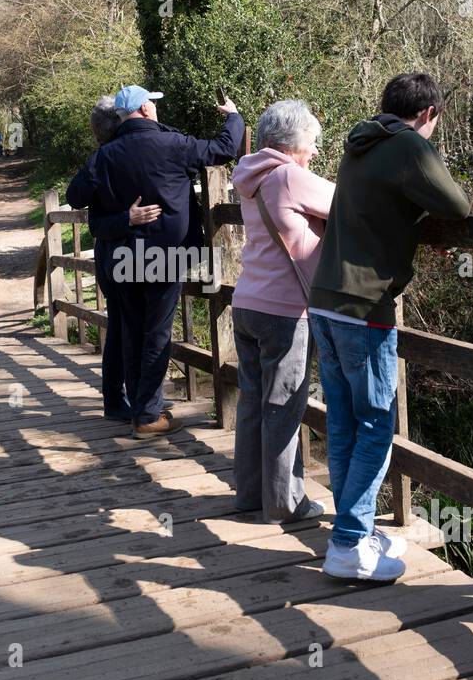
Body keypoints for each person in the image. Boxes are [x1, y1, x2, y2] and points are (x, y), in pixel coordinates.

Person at [309, 72, 470, 581]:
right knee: (377, 425)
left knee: (343, 423)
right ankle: (349, 544)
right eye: (436, 123)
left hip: (326, 301)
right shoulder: (407, 146)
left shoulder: (359, 143)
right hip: (365, 307)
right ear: (427, 114)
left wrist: (415, 225)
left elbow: (379, 211)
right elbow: (459, 205)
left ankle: (352, 530)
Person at [83, 84, 244, 438]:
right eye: (152, 105)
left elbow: (76, 193)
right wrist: (233, 116)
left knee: (132, 332)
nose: (156, 110)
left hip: (125, 254)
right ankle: (147, 414)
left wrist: (121, 214)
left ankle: (142, 408)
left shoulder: (106, 154)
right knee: (155, 335)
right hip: (166, 256)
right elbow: (224, 148)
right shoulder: (173, 145)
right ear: (143, 110)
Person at [229, 100, 335, 524]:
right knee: (284, 406)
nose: (313, 152)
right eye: (311, 143)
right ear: (292, 144)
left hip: (247, 302)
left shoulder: (250, 175)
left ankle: (250, 495)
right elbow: (349, 202)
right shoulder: (290, 176)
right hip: (285, 310)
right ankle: (285, 503)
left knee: (253, 401)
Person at [66, 96, 162, 421]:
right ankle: (137, 406)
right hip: (119, 259)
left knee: (122, 328)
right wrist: (128, 219)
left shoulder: (109, 160)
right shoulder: (107, 160)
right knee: (131, 329)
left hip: (114, 258)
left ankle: (117, 401)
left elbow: (92, 219)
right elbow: (82, 207)